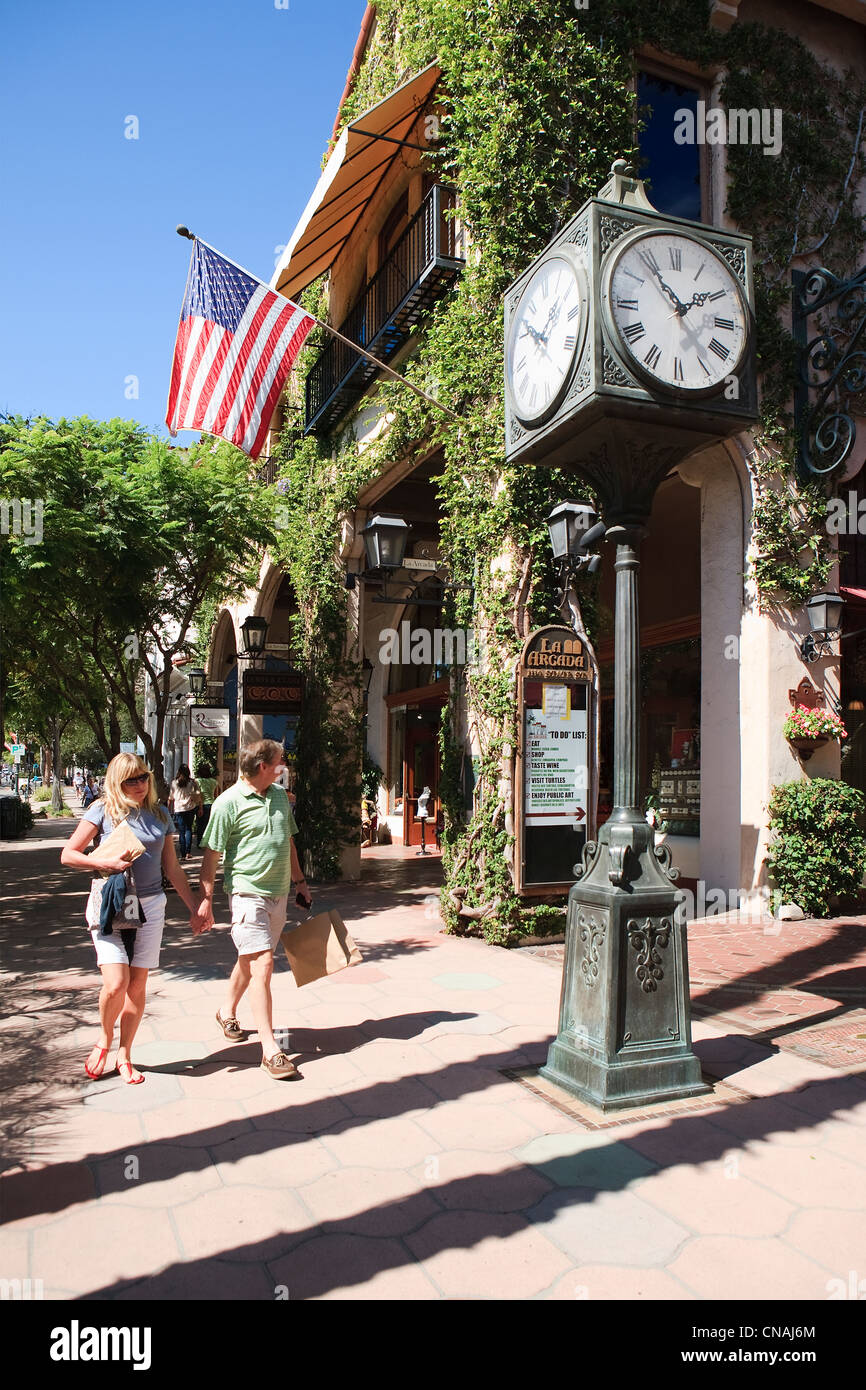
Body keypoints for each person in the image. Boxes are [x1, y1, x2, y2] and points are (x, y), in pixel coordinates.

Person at [61, 753, 206, 1083]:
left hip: (152, 905)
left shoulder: (160, 813)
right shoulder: (103, 810)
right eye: (131, 780)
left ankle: (125, 1054)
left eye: (143, 777)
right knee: (116, 984)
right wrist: (106, 864)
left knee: (138, 984)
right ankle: (105, 1039)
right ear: (116, 782)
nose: (140, 785)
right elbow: (68, 854)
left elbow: (172, 868)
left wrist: (194, 907)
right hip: (112, 902)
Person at [197, 738, 311, 1081]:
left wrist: (300, 882)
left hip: (277, 895)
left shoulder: (278, 796)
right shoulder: (227, 803)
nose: (283, 767)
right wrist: (205, 899)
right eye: (280, 762)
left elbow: (287, 841)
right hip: (247, 895)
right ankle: (270, 1050)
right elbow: (212, 856)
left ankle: (225, 1010)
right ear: (263, 766)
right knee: (263, 966)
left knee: (249, 960)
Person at [168, 764, 202, 861]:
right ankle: (188, 852)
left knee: (181, 832)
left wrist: (168, 808)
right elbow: (199, 795)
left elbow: (171, 797)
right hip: (190, 808)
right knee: (188, 830)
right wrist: (200, 807)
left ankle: (182, 854)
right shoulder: (192, 782)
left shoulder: (174, 783)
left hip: (179, 809)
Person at [194, 764, 218, 847]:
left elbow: (198, 795)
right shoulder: (214, 781)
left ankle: (200, 842)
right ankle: (208, 843)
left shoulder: (197, 781)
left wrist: (200, 808)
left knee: (200, 825)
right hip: (212, 804)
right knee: (209, 824)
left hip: (202, 805)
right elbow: (216, 795)